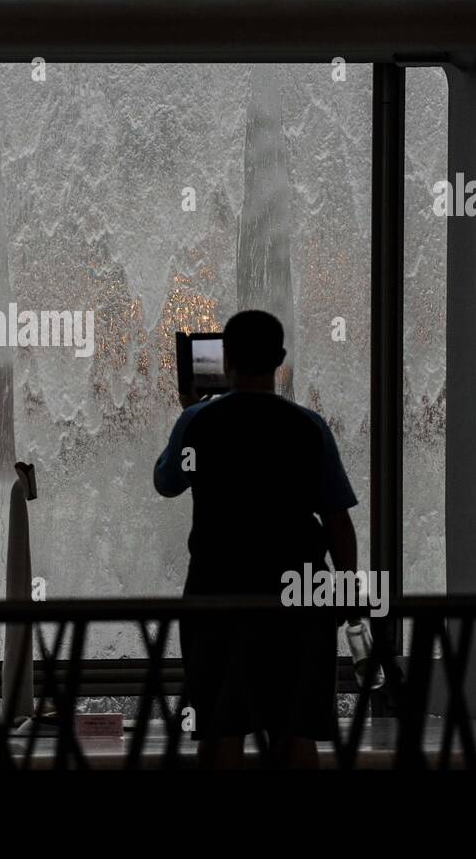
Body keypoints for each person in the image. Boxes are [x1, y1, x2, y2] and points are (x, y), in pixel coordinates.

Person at [154, 310, 359, 769]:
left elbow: (167, 483)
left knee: (221, 727)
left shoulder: (198, 422)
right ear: (280, 359)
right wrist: (346, 593)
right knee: (294, 732)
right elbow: (337, 521)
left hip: (217, 593)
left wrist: (188, 412)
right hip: (299, 596)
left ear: (225, 357)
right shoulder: (309, 427)